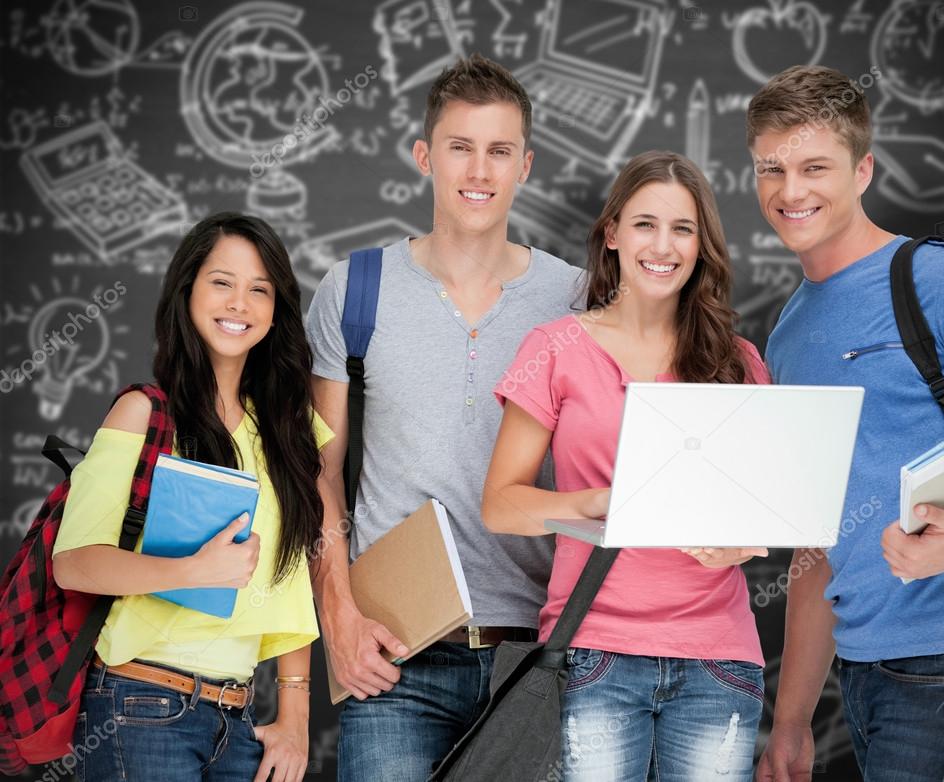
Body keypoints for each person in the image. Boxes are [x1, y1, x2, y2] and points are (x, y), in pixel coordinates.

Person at [305, 54, 582, 780]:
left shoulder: (577, 299)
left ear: (526, 165)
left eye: (499, 151)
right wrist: (337, 614)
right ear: (425, 156)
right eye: (460, 147)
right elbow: (318, 472)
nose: (479, 170)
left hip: (536, 655)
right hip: (395, 650)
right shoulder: (354, 289)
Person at [748, 65, 944, 782]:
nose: (791, 190)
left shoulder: (935, 280)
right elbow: (818, 546)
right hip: (865, 670)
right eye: (771, 169)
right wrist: (791, 721)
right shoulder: (787, 335)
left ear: (863, 169)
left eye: (815, 167)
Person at [482, 150, 770, 780]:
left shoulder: (739, 361)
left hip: (719, 660)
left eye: (682, 229)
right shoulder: (555, 349)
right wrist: (591, 502)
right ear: (612, 234)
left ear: (701, 246)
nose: (662, 245)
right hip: (595, 653)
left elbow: (763, 510)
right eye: (644, 224)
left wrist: (741, 546)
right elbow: (501, 503)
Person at [52, 212, 333, 782]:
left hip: (236, 719)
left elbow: (292, 577)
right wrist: (193, 569)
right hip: (137, 705)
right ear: (187, 291)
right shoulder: (144, 412)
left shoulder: (287, 428)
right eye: (221, 282)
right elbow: (72, 563)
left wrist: (296, 717)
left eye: (260, 289)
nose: (240, 304)